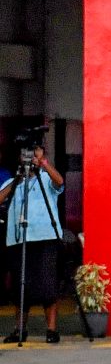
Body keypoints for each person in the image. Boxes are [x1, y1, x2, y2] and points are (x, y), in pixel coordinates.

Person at [1, 146, 67, 344]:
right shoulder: (13, 182)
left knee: (48, 286)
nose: (28, 158)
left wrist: (43, 163)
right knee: (20, 287)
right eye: (25, 154)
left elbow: (60, 182)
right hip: (20, 240)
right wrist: (17, 180)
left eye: (33, 153)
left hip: (45, 238)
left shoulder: (46, 178)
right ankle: (20, 330)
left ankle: (51, 330)